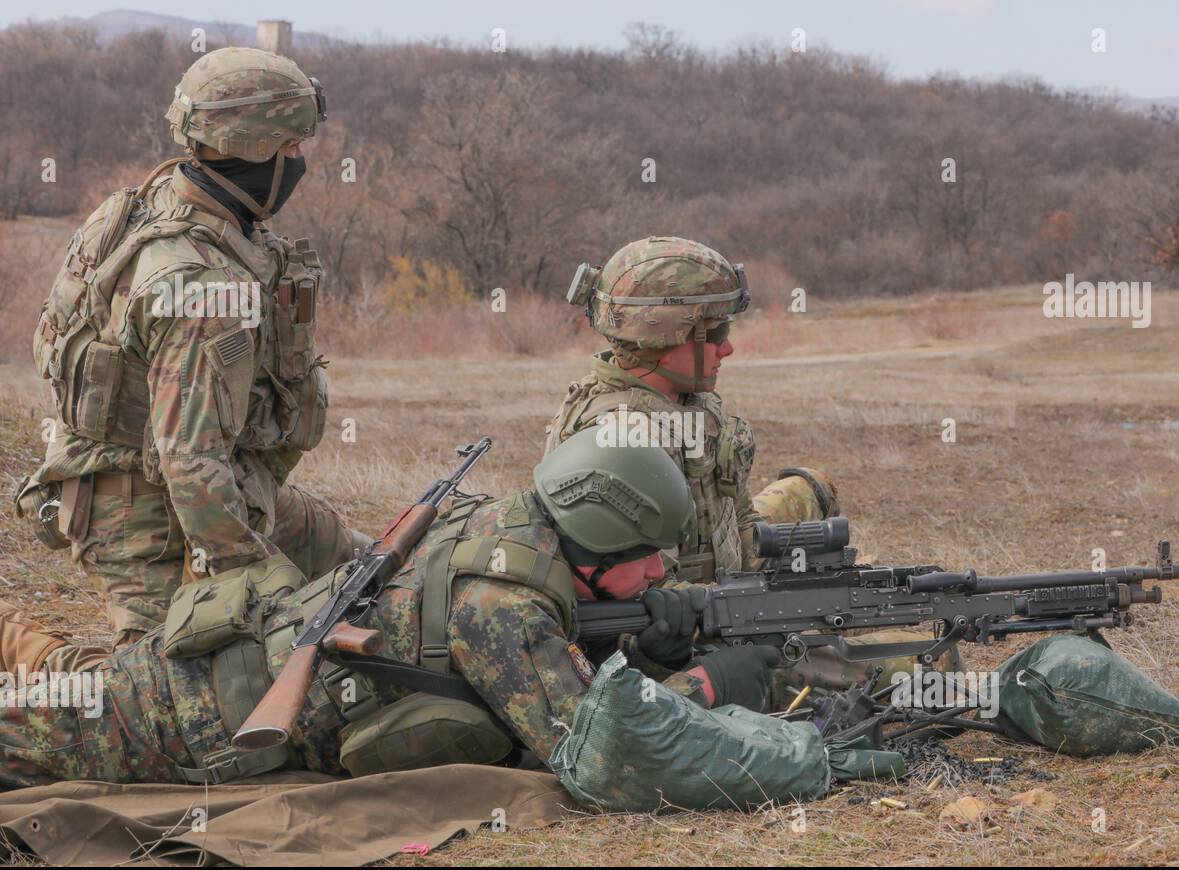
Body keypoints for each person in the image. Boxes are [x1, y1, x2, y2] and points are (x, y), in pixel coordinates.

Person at [0, 430, 780, 790]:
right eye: (645, 556)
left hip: (214, 668)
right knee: (25, 740)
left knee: (66, 693)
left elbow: (565, 657)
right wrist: (708, 686)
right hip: (197, 718)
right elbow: (600, 760)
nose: (657, 573)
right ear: (594, 542)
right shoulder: (501, 611)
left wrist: (651, 644)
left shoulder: (506, 519)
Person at [14, 46, 368, 661]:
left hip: (221, 484)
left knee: (370, 573)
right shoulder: (201, 289)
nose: (299, 161)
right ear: (252, 147)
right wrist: (258, 585)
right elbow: (191, 461)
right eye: (290, 146)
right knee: (159, 710)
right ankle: (22, 648)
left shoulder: (159, 200)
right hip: (140, 512)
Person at [547, 236, 839, 585]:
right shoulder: (626, 440)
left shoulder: (683, 399)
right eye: (717, 333)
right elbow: (650, 596)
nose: (727, 348)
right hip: (691, 618)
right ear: (664, 338)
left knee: (812, 489)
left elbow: (738, 513)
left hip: (723, 569)